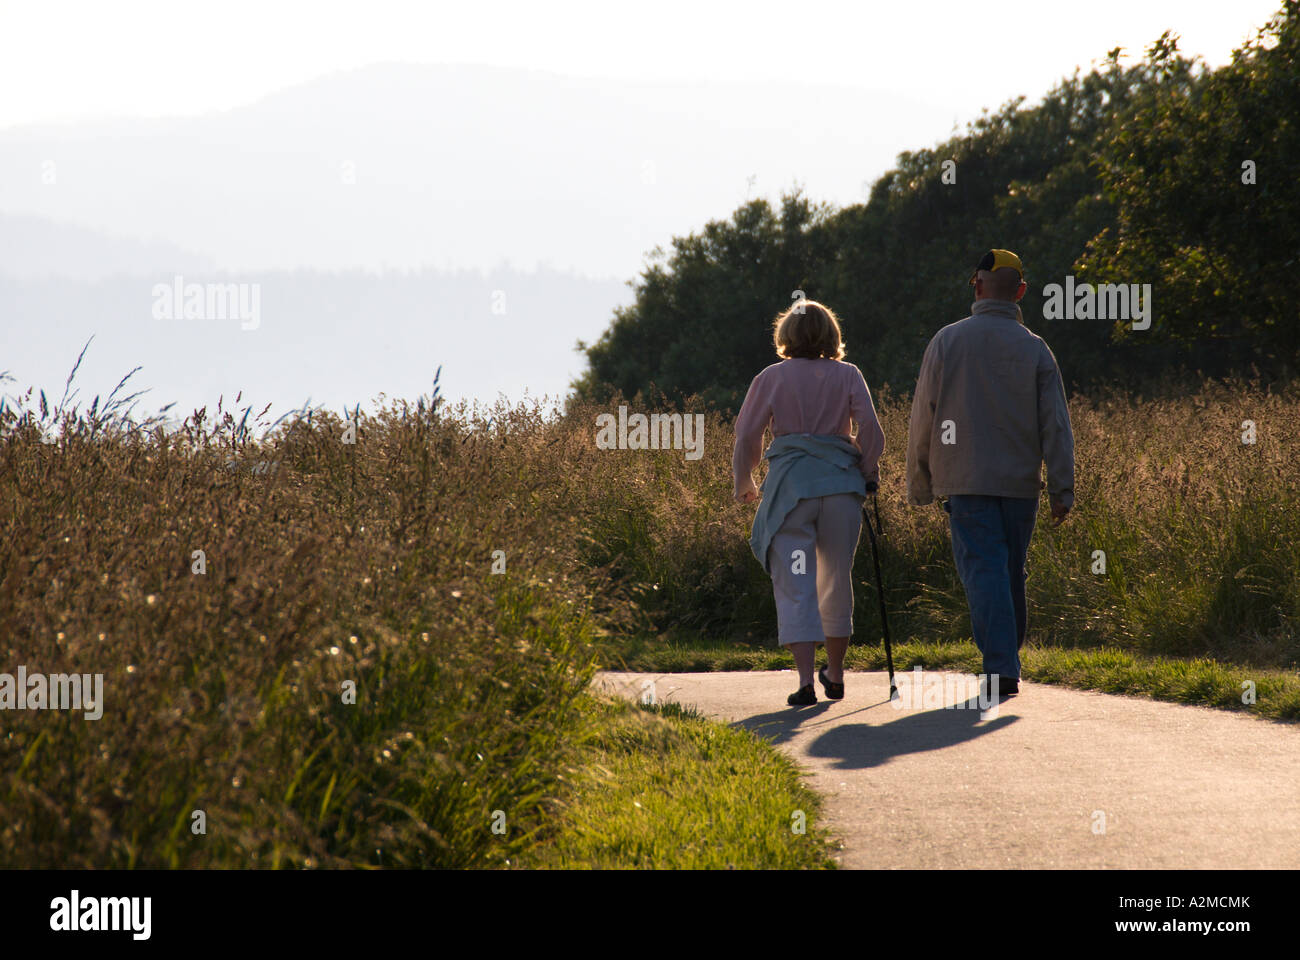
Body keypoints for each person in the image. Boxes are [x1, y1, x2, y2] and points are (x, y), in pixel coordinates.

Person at [905, 249, 1074, 698]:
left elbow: (924, 416)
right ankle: (1006, 658)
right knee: (1010, 570)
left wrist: (919, 481)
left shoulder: (946, 342)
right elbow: (1055, 424)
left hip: (964, 480)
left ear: (977, 287)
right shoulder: (1036, 349)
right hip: (1021, 484)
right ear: (1020, 292)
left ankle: (1001, 664)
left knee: (985, 570)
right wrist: (1062, 487)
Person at [733, 299, 885, 706]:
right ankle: (835, 675)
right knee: (836, 578)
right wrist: (867, 472)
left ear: (786, 335)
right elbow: (871, 428)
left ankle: (804, 682)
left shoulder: (771, 377)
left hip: (790, 495)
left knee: (797, 583)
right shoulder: (848, 374)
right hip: (839, 490)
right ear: (831, 335)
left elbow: (748, 434)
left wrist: (744, 478)